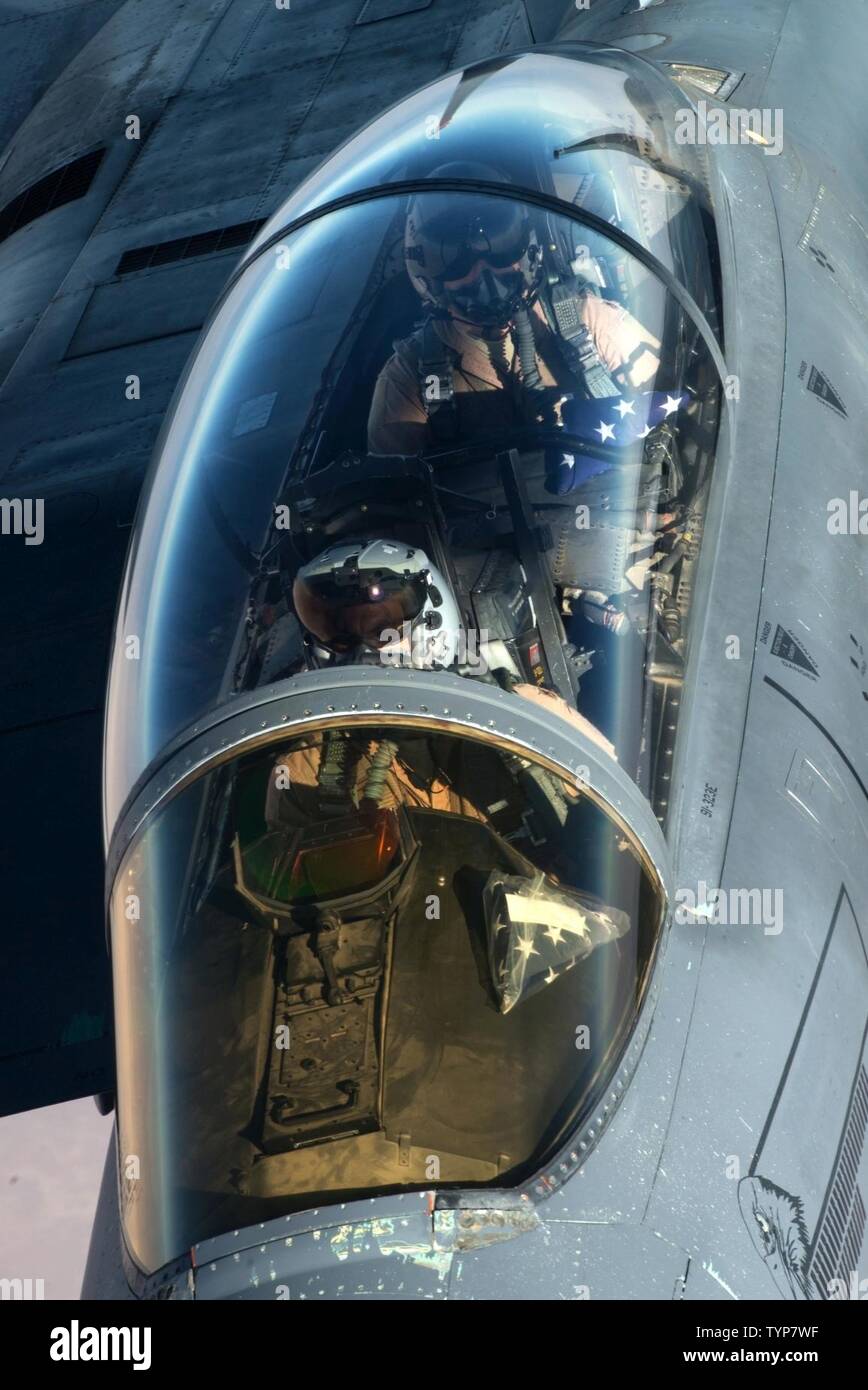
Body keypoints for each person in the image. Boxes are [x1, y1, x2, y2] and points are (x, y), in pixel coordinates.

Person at [367, 170, 661, 481]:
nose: (481, 270)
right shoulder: (410, 379)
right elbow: (395, 504)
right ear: (427, 272)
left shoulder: (585, 319)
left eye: (499, 244)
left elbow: (668, 411)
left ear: (525, 248)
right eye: (453, 257)